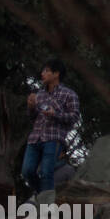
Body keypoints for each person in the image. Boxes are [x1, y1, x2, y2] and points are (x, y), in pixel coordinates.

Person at [22, 59, 80, 197]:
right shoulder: (39, 94)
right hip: (35, 138)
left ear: (56, 74)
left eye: (46, 71)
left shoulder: (69, 94)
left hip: (53, 139)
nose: (42, 73)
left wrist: (56, 114)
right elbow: (33, 118)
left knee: (46, 173)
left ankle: (46, 207)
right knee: (27, 171)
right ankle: (42, 195)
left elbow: (74, 117)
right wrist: (30, 108)